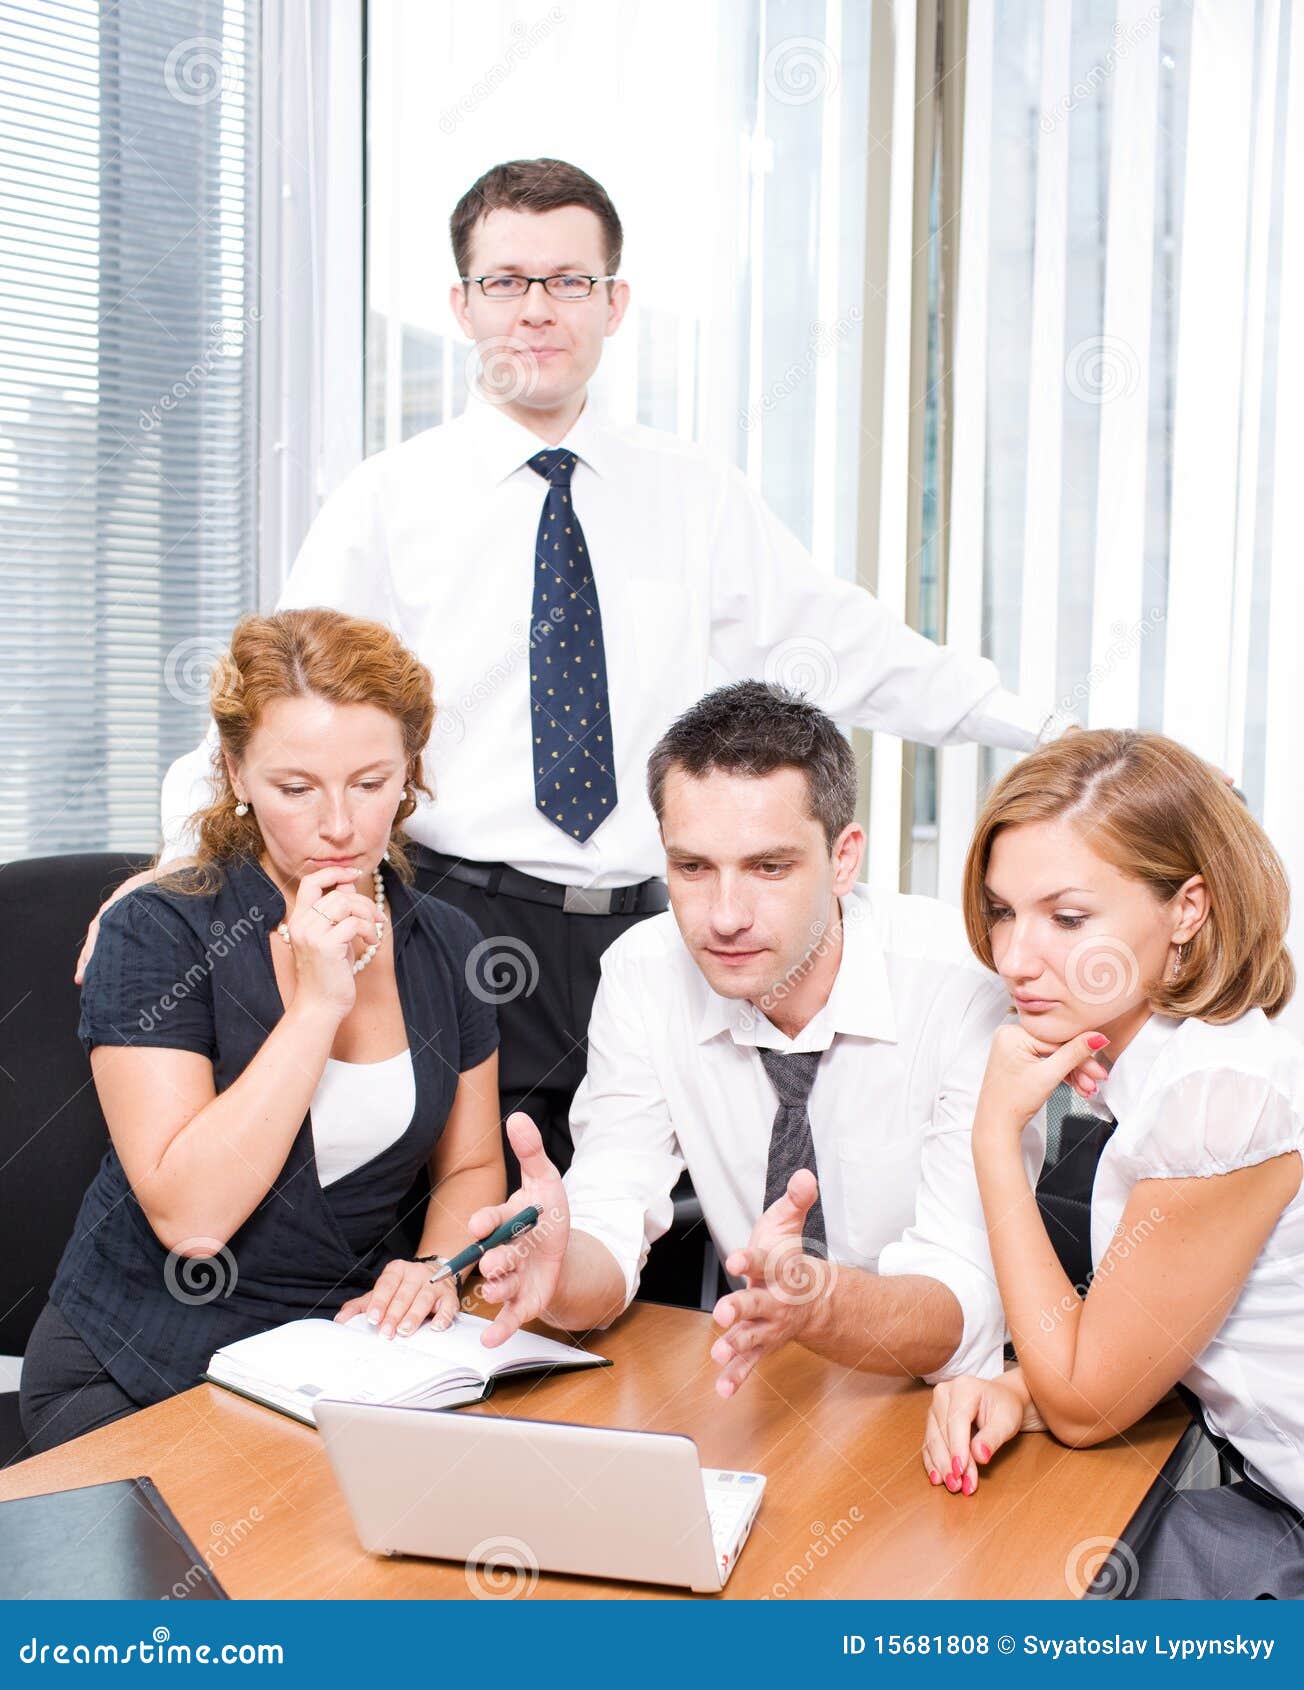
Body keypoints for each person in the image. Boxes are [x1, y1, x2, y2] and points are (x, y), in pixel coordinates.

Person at [79, 157, 1070, 1175]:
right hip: (459, 919)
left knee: (653, 1220)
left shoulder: (693, 493)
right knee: (477, 1219)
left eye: (568, 281)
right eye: (505, 282)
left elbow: (849, 645)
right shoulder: (388, 501)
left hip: (654, 932)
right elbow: (277, 703)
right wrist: (177, 868)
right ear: (463, 306)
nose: (536, 311)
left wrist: (1045, 735)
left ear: (614, 302)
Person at [465, 681, 1048, 1397]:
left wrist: (818, 1301)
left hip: (940, 1396)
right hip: (770, 1385)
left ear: (844, 858)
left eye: (769, 867)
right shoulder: (644, 974)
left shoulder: (968, 983)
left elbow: (967, 1305)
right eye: (693, 868)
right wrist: (557, 1271)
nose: (725, 917)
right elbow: (607, 1224)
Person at [21, 610, 504, 1455]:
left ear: (409, 777)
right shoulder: (159, 930)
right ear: (237, 773)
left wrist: (435, 1270)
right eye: (296, 788)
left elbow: (469, 1165)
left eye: (370, 782)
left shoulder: (448, 946)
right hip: (140, 1372)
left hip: (337, 1373)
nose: (340, 825)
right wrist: (318, 1006)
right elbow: (193, 1219)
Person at [916, 729, 1303, 1599]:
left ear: (1187, 910)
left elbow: (1086, 1408)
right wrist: (1018, 1387)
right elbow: (1149, 1321)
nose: (1014, 958)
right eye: (1004, 911)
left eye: (1067, 917)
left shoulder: (1216, 1099)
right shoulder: (1180, 1063)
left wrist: (994, 1141)